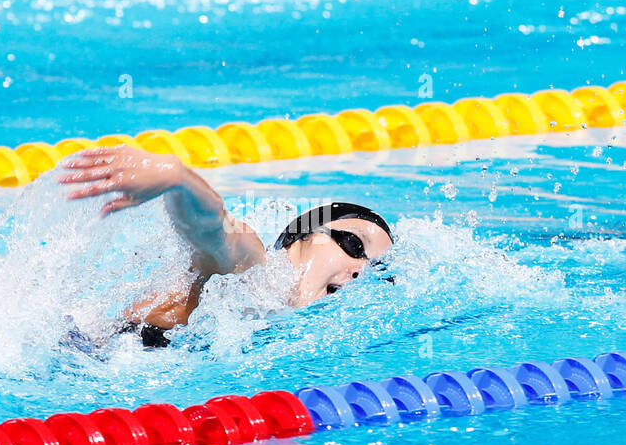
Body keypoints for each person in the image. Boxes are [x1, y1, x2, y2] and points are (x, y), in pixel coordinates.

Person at [59, 146, 394, 346]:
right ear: (305, 233)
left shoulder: (281, 318)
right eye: (353, 244)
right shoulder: (256, 273)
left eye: (372, 268)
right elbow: (211, 228)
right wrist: (177, 178)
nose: (359, 269)